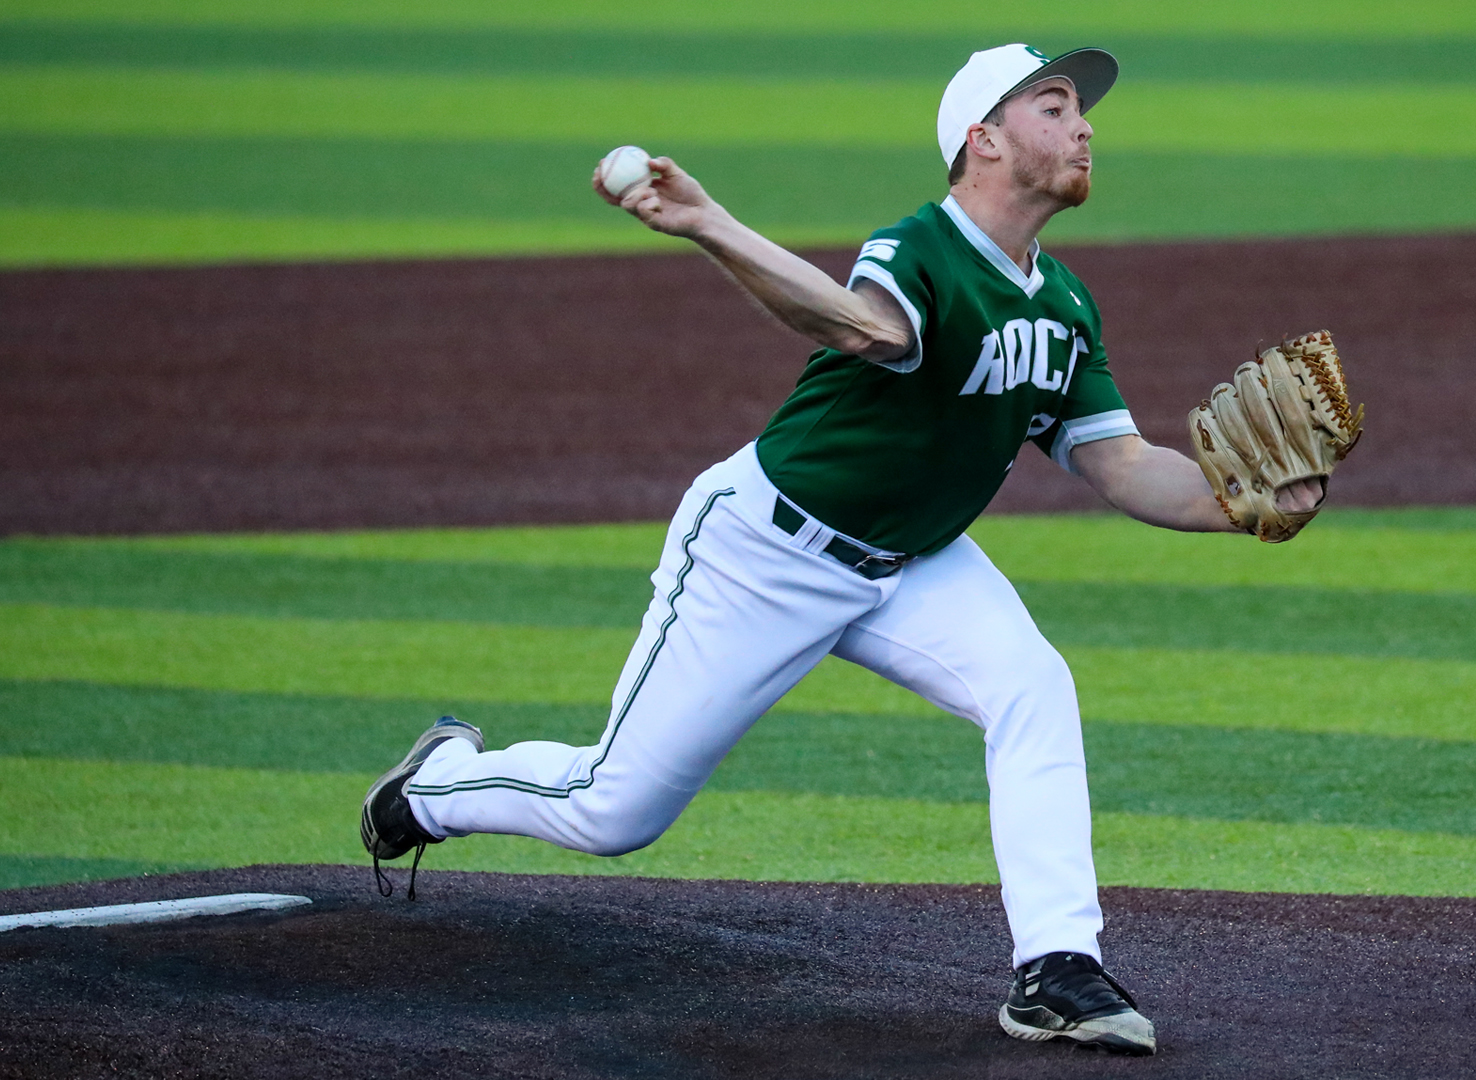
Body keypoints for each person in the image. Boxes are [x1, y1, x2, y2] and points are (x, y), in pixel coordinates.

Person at [361, 43, 1323, 1056]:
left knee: (1033, 686)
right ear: (983, 140)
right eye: (1055, 106)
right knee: (615, 809)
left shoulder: (1064, 306)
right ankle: (433, 786)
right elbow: (857, 328)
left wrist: (1246, 505)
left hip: (915, 561)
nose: (1084, 126)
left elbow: (1123, 466)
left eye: (1081, 110)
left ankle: (1057, 968)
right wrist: (710, 225)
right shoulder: (922, 250)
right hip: (765, 553)